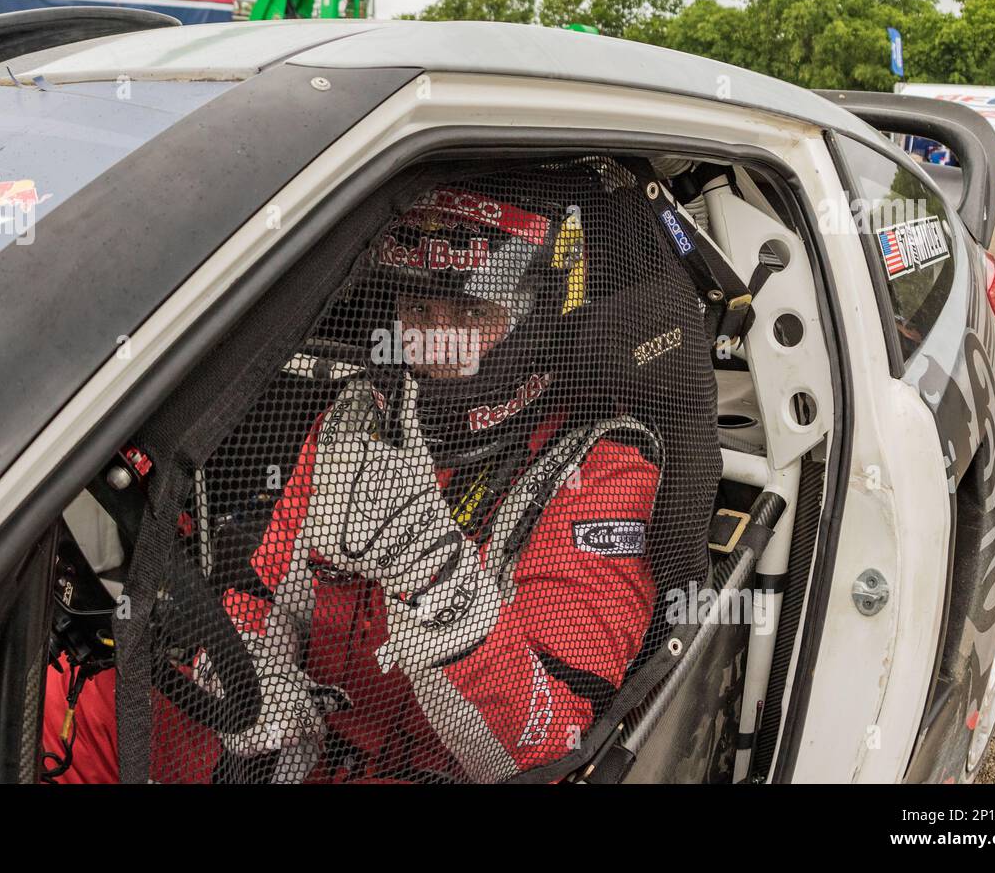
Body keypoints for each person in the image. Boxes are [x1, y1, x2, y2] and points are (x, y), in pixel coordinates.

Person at [41, 184, 664, 783]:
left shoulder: (598, 469)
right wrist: (262, 665)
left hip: (437, 772)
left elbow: (548, 752)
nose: (433, 343)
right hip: (310, 747)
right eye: (417, 307)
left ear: (538, 323)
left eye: (471, 313)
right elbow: (265, 592)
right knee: (63, 711)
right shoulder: (359, 416)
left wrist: (437, 578)